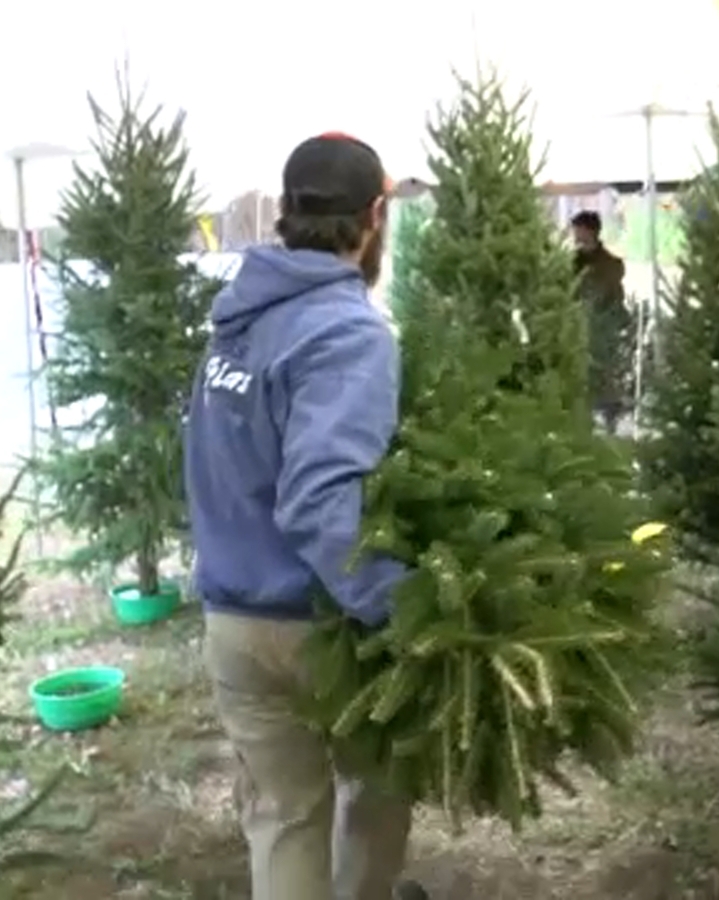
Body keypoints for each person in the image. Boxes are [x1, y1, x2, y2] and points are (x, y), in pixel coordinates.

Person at [182, 132, 427, 900]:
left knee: (285, 819)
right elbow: (321, 501)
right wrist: (407, 609)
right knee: (379, 789)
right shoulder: (348, 332)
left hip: (232, 620)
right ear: (375, 215)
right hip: (320, 625)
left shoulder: (236, 321)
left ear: (285, 213)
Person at [570, 210, 633, 434]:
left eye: (578, 229)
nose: (575, 234)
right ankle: (583, 421)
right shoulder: (570, 263)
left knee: (606, 375)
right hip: (577, 328)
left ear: (590, 231)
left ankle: (610, 420)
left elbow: (612, 295)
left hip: (604, 329)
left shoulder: (611, 264)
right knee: (579, 375)